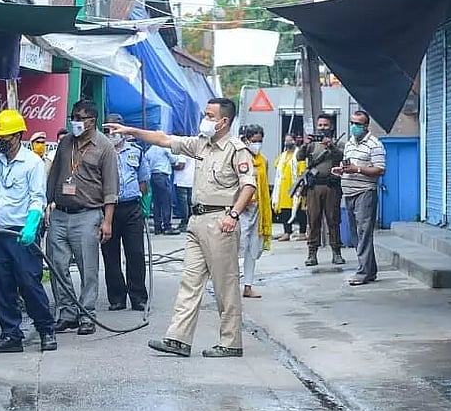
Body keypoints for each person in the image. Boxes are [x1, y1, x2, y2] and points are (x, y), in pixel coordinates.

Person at [106, 97, 257, 359]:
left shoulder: (236, 150)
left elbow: (248, 186)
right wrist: (131, 131)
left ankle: (231, 342)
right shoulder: (201, 144)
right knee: (189, 282)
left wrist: (233, 215)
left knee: (225, 285)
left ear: (224, 121)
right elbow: (164, 139)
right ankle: (178, 339)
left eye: (210, 116)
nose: (205, 119)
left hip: (220, 221)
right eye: (205, 114)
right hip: (196, 221)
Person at [0, 110, 57, 353]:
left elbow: (37, 198)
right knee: (1, 286)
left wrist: (32, 224)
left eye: (6, 136)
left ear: (19, 136)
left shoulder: (32, 163)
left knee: (29, 283)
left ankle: (46, 330)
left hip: (22, 234)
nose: (1, 141)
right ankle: (10, 334)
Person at [44, 99, 118, 336]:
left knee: (88, 267)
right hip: (60, 214)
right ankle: (66, 312)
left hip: (87, 215)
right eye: (73, 116)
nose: (75, 121)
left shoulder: (104, 146)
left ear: (91, 120)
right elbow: (54, 176)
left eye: (80, 117)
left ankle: (87, 315)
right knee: (57, 265)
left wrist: (107, 221)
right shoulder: (66, 143)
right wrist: (46, 205)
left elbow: (110, 188)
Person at [101, 114, 151, 311]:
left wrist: (143, 206)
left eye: (115, 130)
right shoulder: (100, 153)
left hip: (131, 208)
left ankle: (138, 297)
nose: (112, 134)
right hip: (107, 210)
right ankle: (117, 298)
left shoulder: (136, 152)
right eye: (107, 131)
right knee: (110, 255)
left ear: (124, 130)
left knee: (136, 253)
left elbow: (143, 182)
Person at [335, 110, 387, 286]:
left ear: (366, 126)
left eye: (358, 124)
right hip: (349, 192)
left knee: (364, 233)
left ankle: (363, 271)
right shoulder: (349, 144)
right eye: (352, 123)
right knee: (355, 234)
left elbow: (380, 170)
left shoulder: (374, 145)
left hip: (365, 192)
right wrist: (341, 169)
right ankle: (369, 269)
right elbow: (348, 164)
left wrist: (357, 169)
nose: (354, 127)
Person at [296, 114, 345, 267]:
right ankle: (312, 254)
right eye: (320, 125)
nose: (322, 128)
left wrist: (330, 145)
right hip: (314, 188)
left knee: (333, 220)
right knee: (313, 220)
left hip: (331, 187)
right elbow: (299, 157)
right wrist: (305, 144)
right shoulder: (311, 145)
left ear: (331, 126)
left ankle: (336, 252)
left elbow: (342, 156)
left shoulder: (339, 143)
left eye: (325, 125)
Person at [239, 124, 273, 299]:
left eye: (260, 141)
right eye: (254, 141)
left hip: (257, 210)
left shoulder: (263, 161)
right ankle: (227, 286)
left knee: (253, 250)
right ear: (245, 140)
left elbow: (263, 186)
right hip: (240, 211)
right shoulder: (239, 158)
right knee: (236, 248)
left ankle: (248, 286)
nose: (257, 144)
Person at [272, 134, 307, 241]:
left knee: (300, 211)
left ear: (295, 141)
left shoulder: (299, 154)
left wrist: (301, 187)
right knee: (285, 212)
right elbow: (276, 165)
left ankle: (302, 233)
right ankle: (287, 232)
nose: (288, 143)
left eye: (290, 140)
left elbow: (302, 171)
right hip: (283, 189)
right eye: (286, 141)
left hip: (296, 188)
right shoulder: (283, 155)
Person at [144, 142, 177, 235]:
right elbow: (173, 159)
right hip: (163, 175)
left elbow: (146, 161)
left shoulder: (150, 150)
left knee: (156, 203)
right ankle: (167, 226)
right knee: (166, 202)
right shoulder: (164, 148)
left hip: (153, 176)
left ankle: (157, 227)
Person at [173, 153, 193, 233]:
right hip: (190, 180)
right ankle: (190, 221)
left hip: (182, 181)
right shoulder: (191, 151)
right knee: (189, 202)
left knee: (183, 203)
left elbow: (181, 166)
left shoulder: (182, 153)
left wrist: (171, 166)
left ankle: (185, 222)